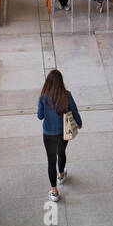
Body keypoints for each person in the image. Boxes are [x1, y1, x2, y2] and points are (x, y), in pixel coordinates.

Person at [37, 69, 81, 202]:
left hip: (48, 134)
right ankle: (61, 175)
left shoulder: (43, 97)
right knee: (61, 153)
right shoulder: (67, 95)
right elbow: (74, 111)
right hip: (63, 132)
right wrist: (79, 123)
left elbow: (40, 116)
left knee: (51, 161)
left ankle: (54, 191)